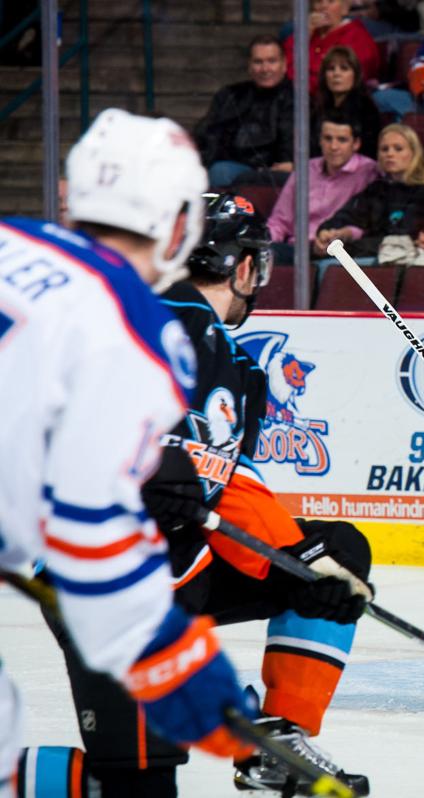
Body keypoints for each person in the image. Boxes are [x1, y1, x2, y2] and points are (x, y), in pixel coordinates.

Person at [26, 193, 375, 797]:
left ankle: (279, 741)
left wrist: (298, 563)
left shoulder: (237, 364)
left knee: (335, 550)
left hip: (181, 575)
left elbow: (228, 484)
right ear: (243, 267)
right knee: (136, 787)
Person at [0, 108, 254, 796]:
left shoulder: (9, 241)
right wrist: (184, 671)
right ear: (178, 225)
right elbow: (90, 532)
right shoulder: (139, 331)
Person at [316, 124, 424, 261]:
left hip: (400, 259)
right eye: (384, 149)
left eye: (398, 149)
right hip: (368, 253)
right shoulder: (377, 189)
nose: (390, 154)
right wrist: (327, 232)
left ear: (414, 153)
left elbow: (399, 239)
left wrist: (348, 246)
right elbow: (346, 215)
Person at [266, 114, 379, 264]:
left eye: (342, 140)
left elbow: (364, 223)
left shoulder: (368, 171)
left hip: (338, 247)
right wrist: (264, 240)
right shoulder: (306, 168)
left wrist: (339, 236)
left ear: (356, 143)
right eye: (328, 138)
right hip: (297, 248)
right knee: (260, 255)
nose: (333, 146)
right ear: (320, 140)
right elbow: (280, 221)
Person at [193, 34, 294, 189]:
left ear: (284, 64)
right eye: (258, 62)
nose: (265, 69)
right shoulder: (230, 95)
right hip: (236, 170)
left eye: (272, 61)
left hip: (279, 173)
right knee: (218, 171)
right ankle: (222, 213)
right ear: (249, 66)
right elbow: (208, 136)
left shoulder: (298, 98)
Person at [284, 0, 381, 94]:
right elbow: (283, 64)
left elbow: (340, 82)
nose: (323, 6)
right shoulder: (308, 33)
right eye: (318, 1)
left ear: (344, 9)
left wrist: (294, 80)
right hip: (296, 95)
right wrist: (305, 33)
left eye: (331, 1)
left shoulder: (357, 38)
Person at [311, 45, 383, 160]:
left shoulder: (367, 110)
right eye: (331, 69)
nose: (336, 74)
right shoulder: (318, 108)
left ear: (355, 75)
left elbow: (369, 154)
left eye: (344, 68)